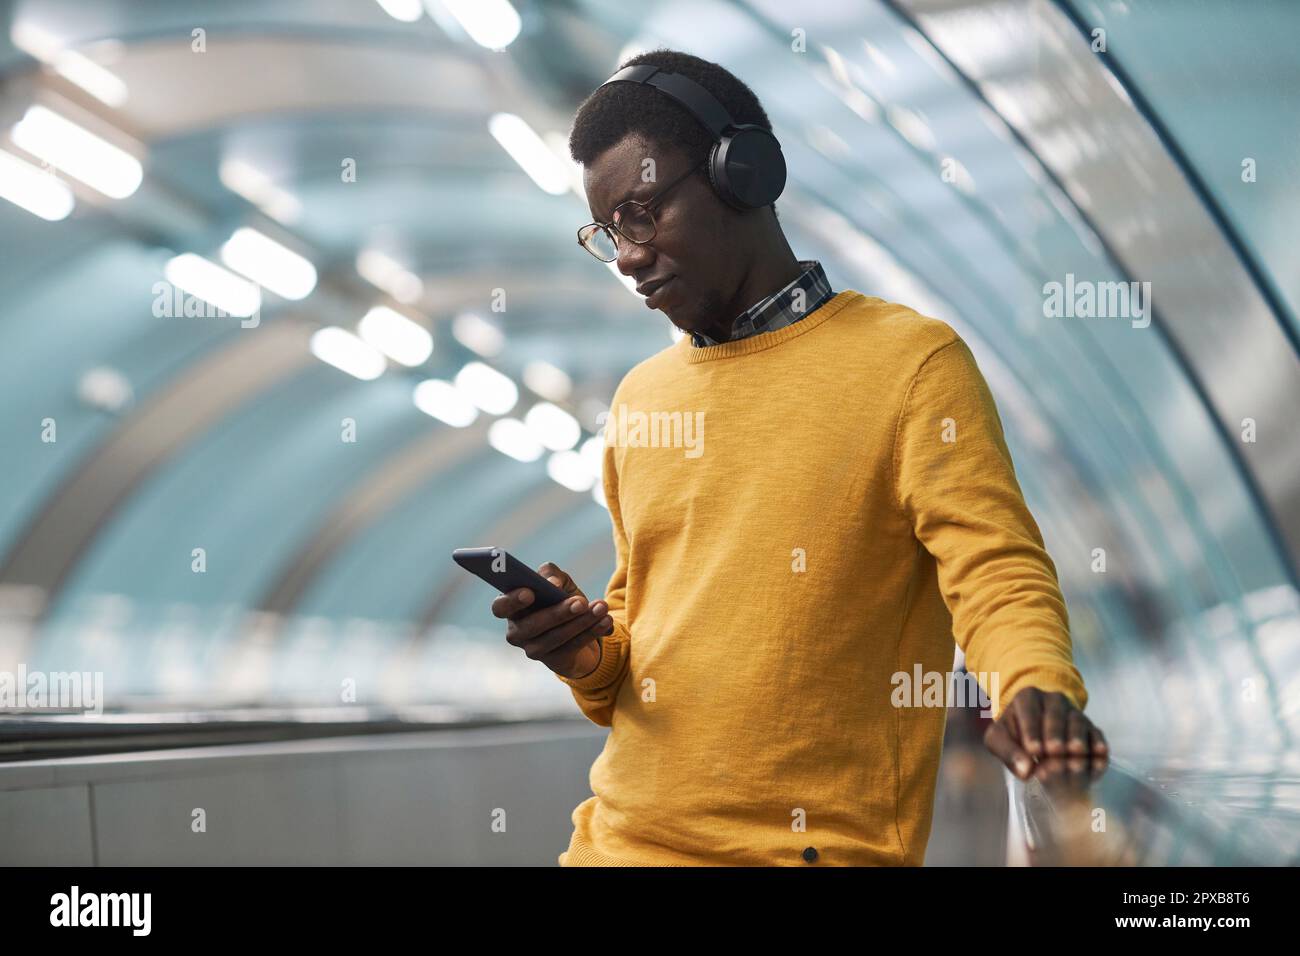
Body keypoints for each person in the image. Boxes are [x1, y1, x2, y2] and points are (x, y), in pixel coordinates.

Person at [490, 49, 1107, 866]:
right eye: (608, 233)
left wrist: (1036, 690)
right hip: (612, 845)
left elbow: (995, 569)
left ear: (740, 172)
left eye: (641, 213)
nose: (629, 254)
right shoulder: (642, 399)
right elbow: (638, 646)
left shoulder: (911, 365)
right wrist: (582, 652)